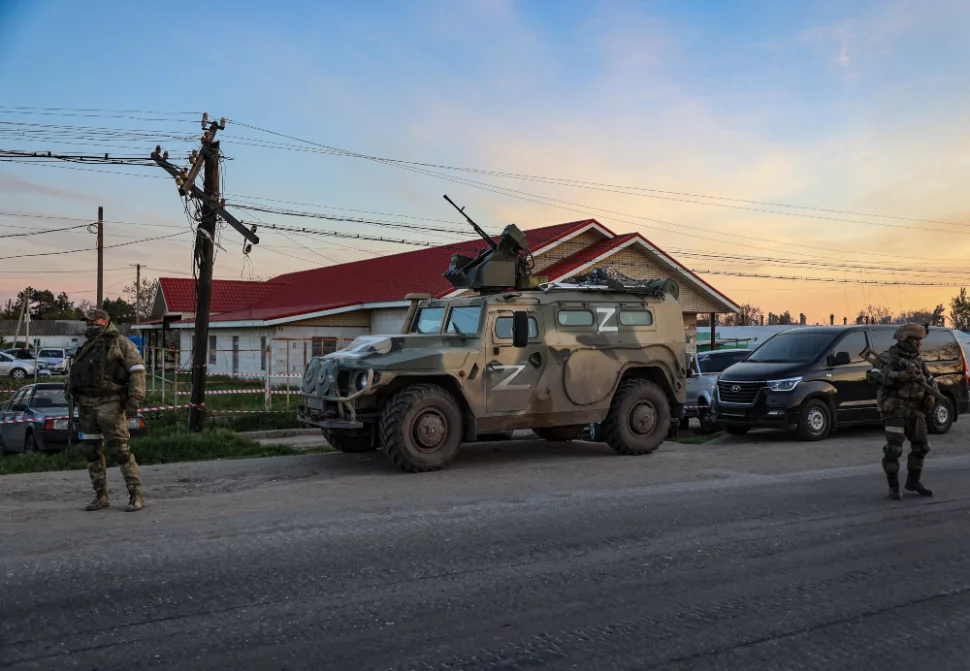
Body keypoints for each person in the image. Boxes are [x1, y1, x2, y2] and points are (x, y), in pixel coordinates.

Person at [68, 308, 147, 512]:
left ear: (105, 322)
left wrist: (134, 398)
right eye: (88, 322)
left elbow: (137, 370)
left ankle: (135, 495)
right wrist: (69, 389)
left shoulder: (121, 343)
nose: (90, 325)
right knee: (91, 450)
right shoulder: (87, 346)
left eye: (94, 322)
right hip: (86, 405)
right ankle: (100, 495)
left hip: (110, 404)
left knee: (119, 450)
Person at [866, 323, 939, 500]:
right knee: (894, 450)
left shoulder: (919, 361)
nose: (920, 345)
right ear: (908, 340)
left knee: (922, 447)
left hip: (915, 410)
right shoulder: (886, 358)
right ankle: (894, 486)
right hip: (895, 410)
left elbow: (931, 381)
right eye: (917, 341)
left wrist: (931, 394)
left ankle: (913, 482)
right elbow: (873, 377)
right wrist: (898, 376)